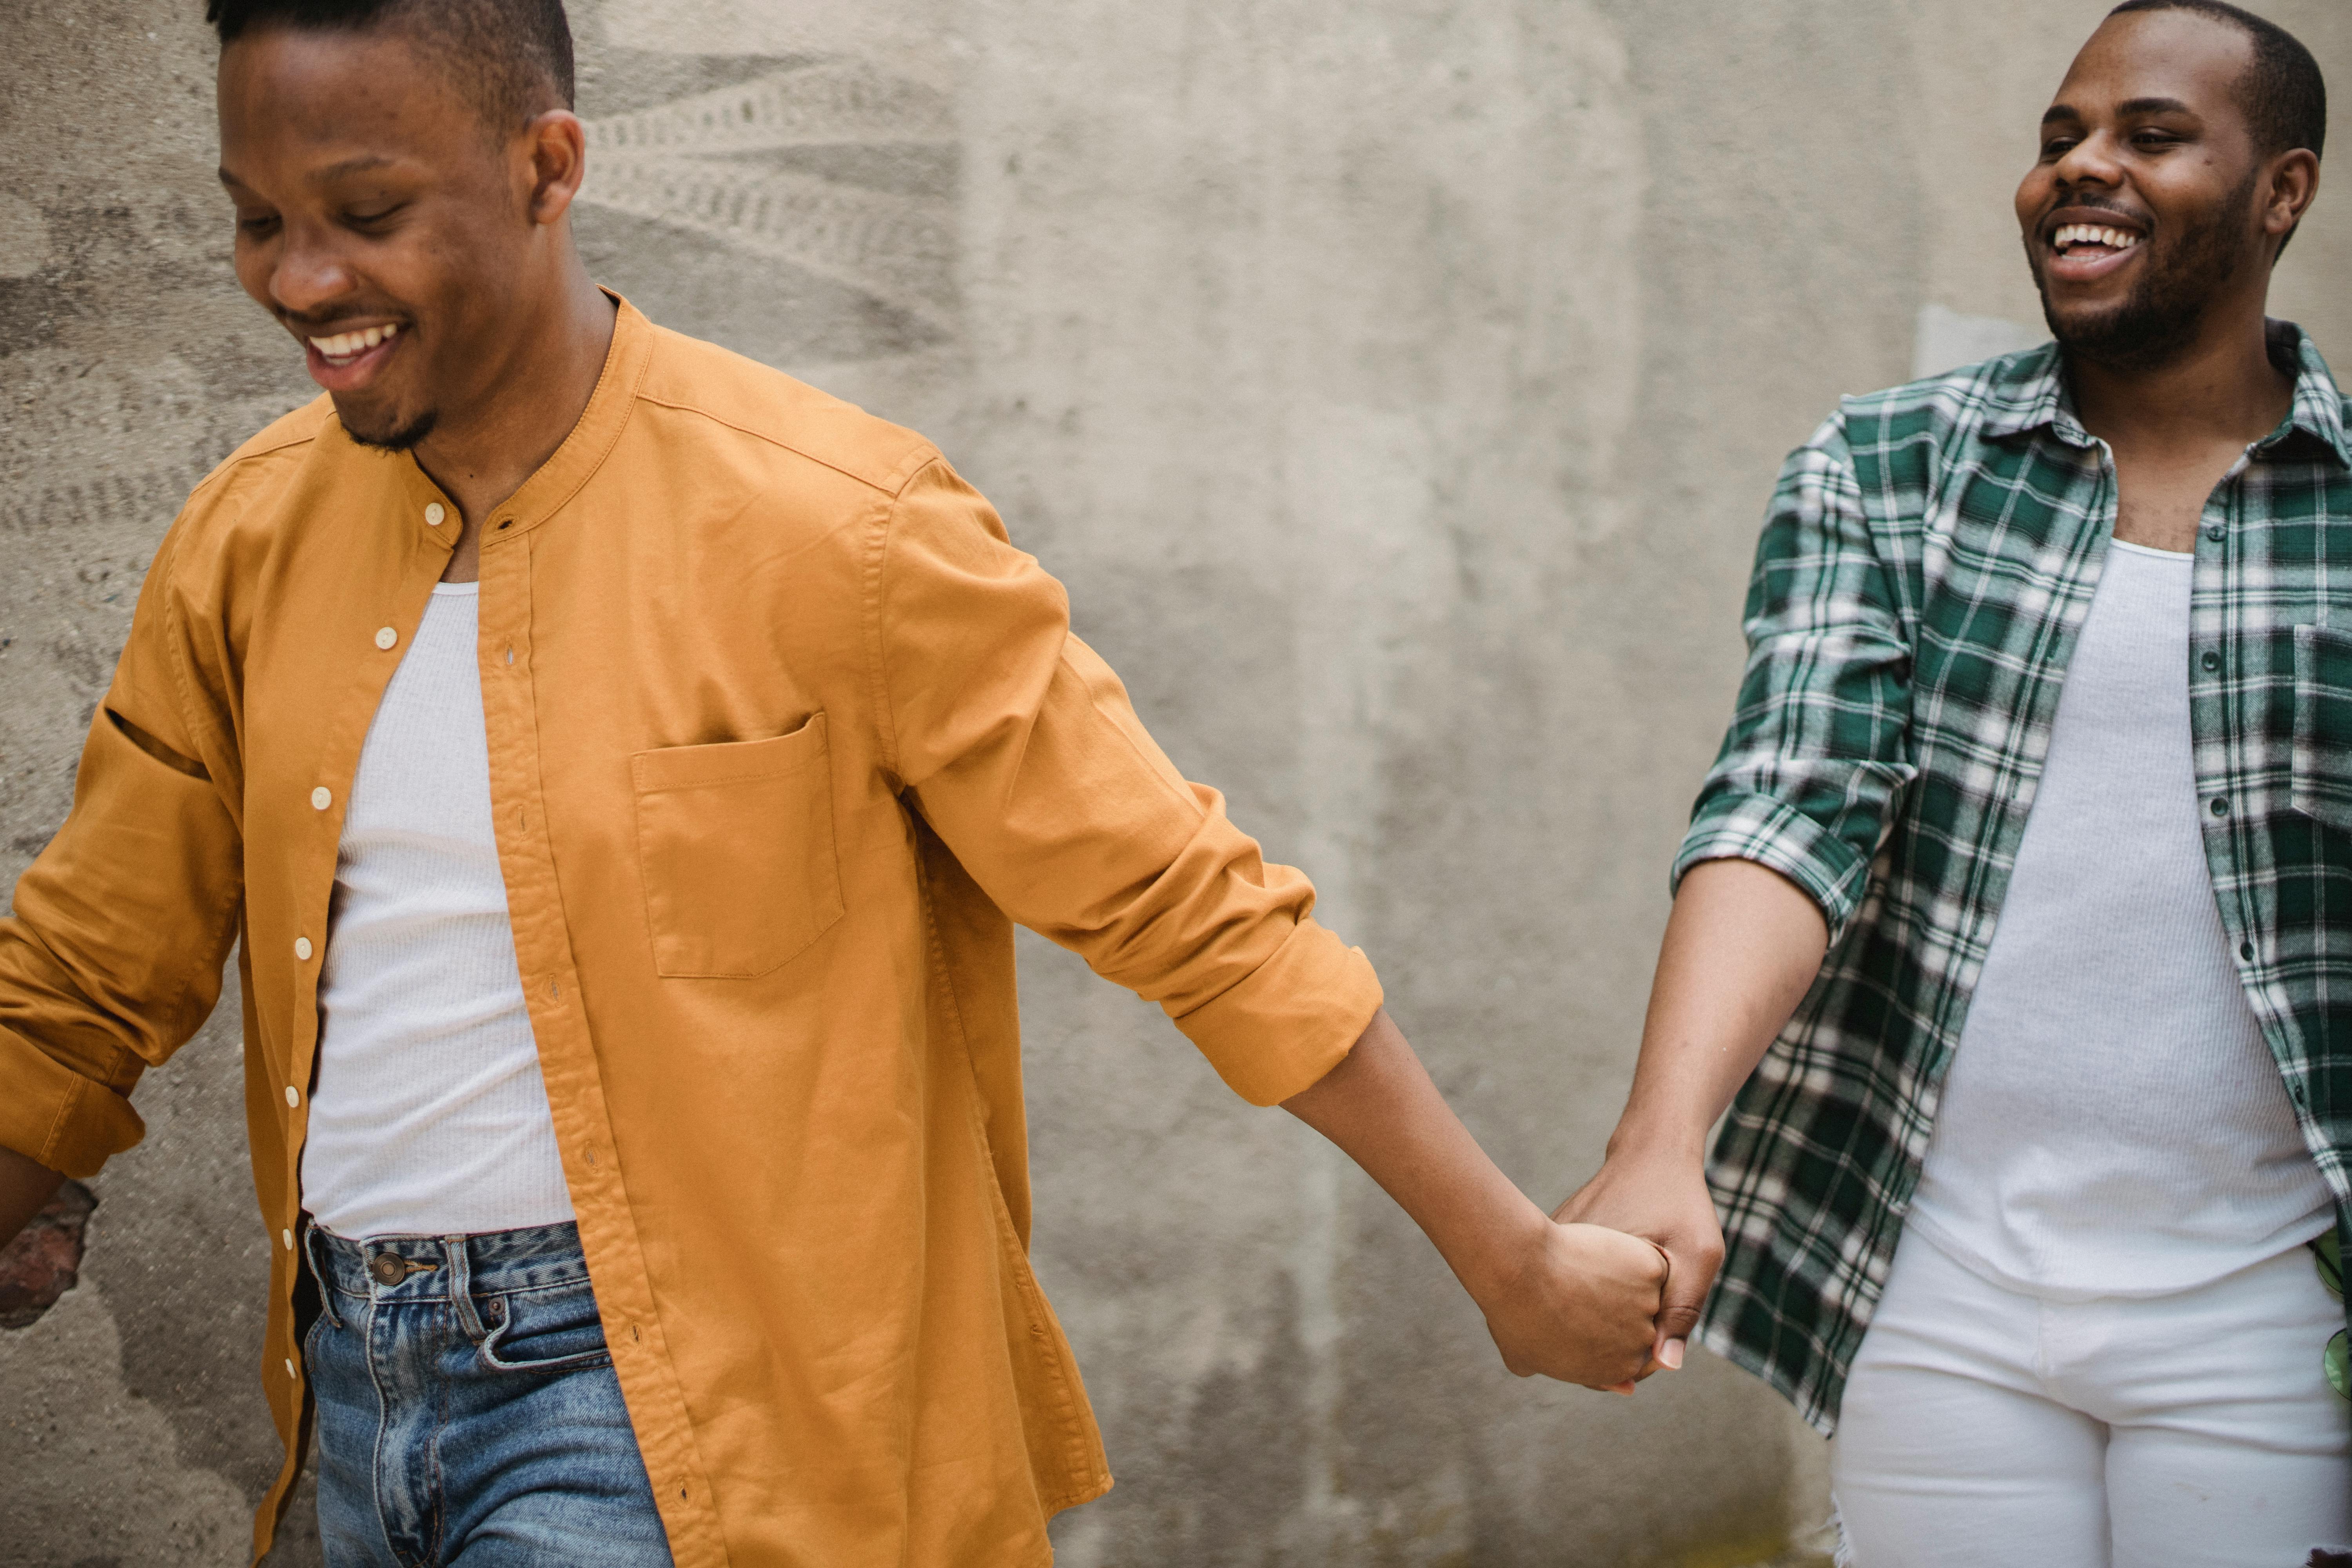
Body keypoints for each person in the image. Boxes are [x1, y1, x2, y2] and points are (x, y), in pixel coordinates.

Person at [0, 1, 1670, 1563]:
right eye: (257, 218)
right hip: (340, 1385)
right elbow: (92, 958)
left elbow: (1186, 904)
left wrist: (1508, 1258)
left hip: (680, 1410)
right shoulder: (246, 537)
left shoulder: (841, 525)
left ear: (549, 167)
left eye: (365, 213)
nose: (301, 279)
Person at [1561, 2, 2351, 1562]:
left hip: (2265, 1301)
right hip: (1944, 1287)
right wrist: (1661, 1134)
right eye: (2061, 137)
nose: (2081, 170)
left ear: (2284, 189)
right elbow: (1793, 803)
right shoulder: (1891, 467)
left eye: (2152, 134)